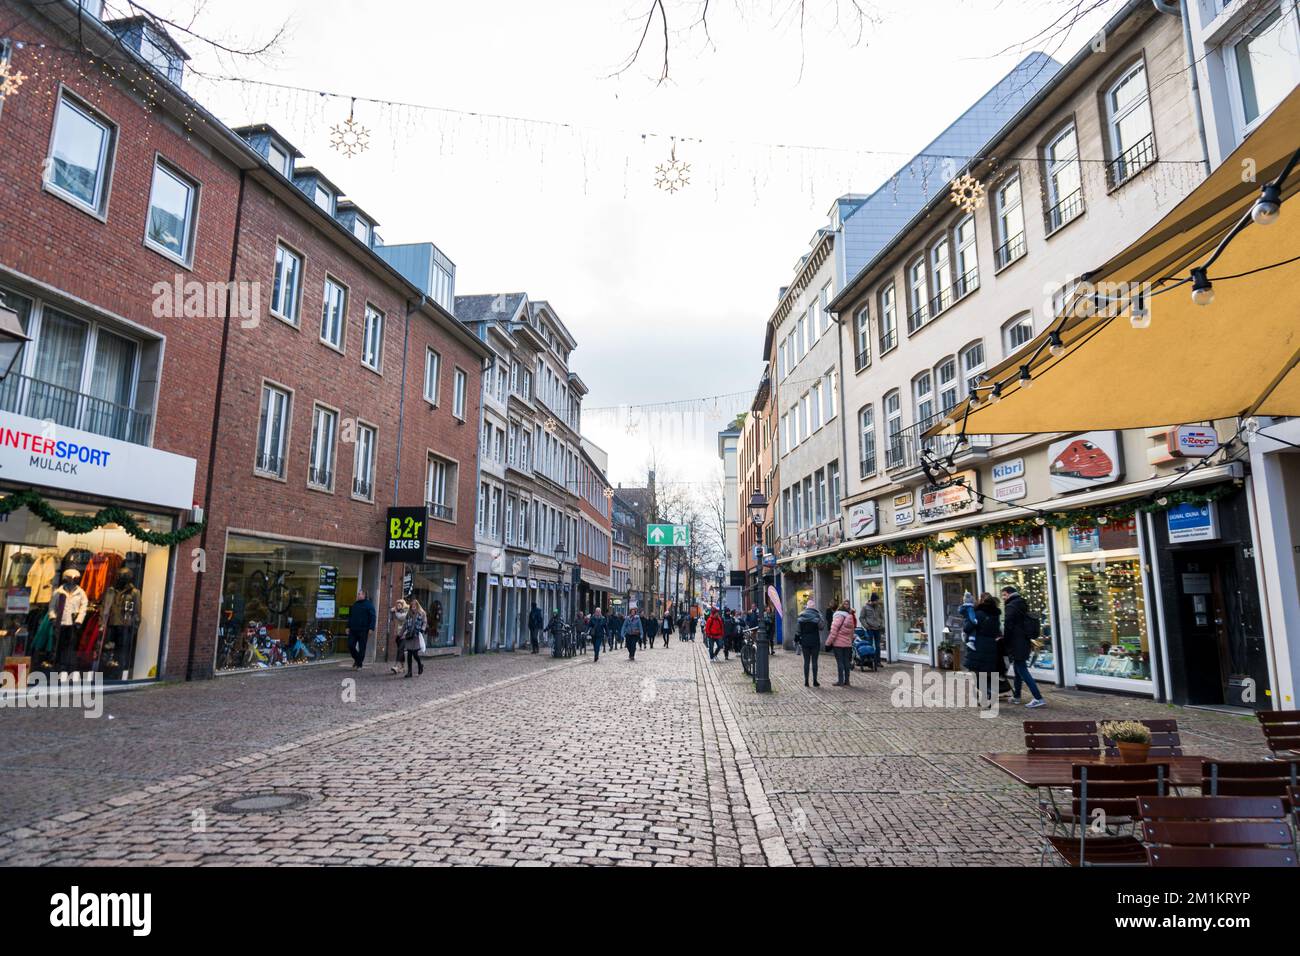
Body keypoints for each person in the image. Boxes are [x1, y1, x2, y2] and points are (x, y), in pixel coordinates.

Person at [1001, 585, 1046, 708]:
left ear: (1009, 594)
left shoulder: (1011, 606)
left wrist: (1005, 640)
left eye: (1004, 595)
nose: (1003, 598)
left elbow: (1008, 626)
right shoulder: (1021, 603)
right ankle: (1017, 696)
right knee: (1018, 669)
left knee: (1022, 670)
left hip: (1017, 643)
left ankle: (1038, 698)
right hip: (1023, 641)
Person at [962, 592, 1002, 708]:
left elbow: (967, 627)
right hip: (991, 646)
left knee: (977, 673)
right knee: (989, 672)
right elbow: (997, 630)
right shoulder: (995, 616)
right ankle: (989, 697)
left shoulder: (978, 614)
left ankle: (987, 694)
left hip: (978, 646)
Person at [827, 600, 857, 687]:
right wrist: (850, 640)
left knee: (840, 662)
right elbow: (852, 631)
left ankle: (840, 681)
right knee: (846, 662)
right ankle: (847, 681)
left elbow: (833, 631)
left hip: (838, 643)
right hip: (847, 643)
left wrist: (828, 642)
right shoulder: (850, 617)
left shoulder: (838, 616)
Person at [347, 589, 376, 669]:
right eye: (358, 594)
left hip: (363, 630)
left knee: (362, 647)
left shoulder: (369, 605)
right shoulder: (355, 605)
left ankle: (359, 664)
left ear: (364, 595)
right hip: (353, 629)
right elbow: (350, 616)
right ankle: (357, 660)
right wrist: (348, 626)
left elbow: (373, 617)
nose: (358, 595)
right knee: (350, 645)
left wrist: (371, 628)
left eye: (359, 594)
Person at [796, 601, 824, 687]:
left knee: (806, 662)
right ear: (814, 607)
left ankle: (806, 681)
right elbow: (821, 627)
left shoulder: (801, 616)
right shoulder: (817, 616)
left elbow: (798, 631)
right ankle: (815, 681)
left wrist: (797, 640)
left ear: (807, 607)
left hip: (805, 641)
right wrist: (820, 617)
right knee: (815, 661)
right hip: (815, 641)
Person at [401, 597, 427, 677]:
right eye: (412, 606)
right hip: (409, 635)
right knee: (409, 654)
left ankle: (420, 665)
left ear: (417, 606)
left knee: (415, 654)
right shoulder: (408, 614)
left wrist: (422, 629)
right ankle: (409, 672)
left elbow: (424, 622)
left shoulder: (422, 613)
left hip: (416, 635)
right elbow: (405, 624)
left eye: (414, 606)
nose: (413, 608)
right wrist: (401, 633)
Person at [389, 599, 409, 674]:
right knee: (401, 651)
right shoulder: (396, 612)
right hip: (397, 634)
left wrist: (395, 611)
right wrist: (391, 612)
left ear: (403, 605)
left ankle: (396, 665)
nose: (398, 606)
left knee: (400, 650)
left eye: (399, 605)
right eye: (397, 605)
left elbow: (401, 617)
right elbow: (391, 619)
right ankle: (403, 667)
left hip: (404, 634)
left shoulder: (406, 612)